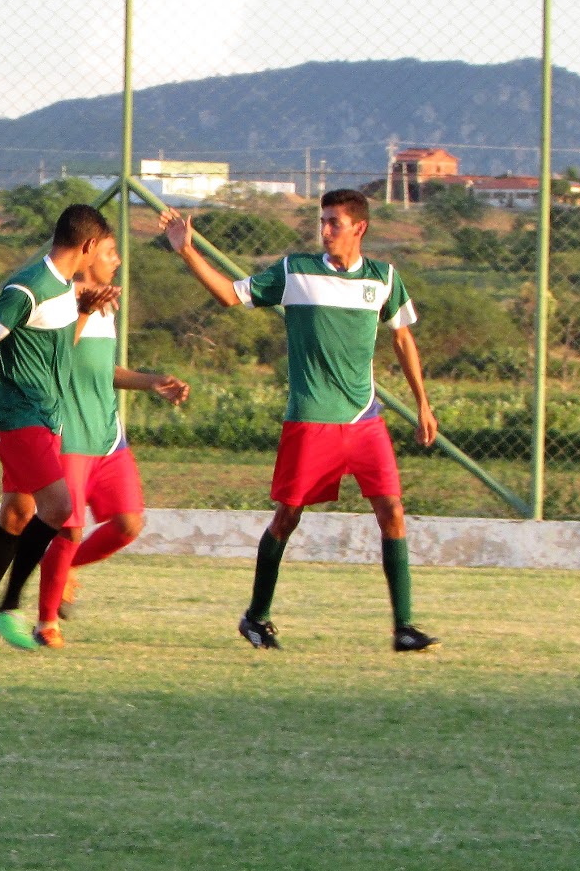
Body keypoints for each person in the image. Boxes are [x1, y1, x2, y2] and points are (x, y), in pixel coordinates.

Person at [166, 187, 440, 652]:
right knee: (287, 517)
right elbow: (230, 297)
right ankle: (255, 616)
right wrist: (187, 250)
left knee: (392, 512)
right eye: (323, 221)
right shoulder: (296, 271)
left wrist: (423, 403)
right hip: (312, 420)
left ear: (360, 228)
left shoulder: (384, 278)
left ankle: (404, 628)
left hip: (364, 419)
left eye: (335, 222)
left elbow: (402, 338)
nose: (326, 229)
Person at [0, 204, 119, 652]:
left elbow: (60, 347)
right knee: (60, 507)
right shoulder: (28, 287)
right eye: (102, 248)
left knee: (17, 514)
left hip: (47, 417)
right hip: (16, 416)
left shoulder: (65, 288)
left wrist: (83, 310)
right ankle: (9, 608)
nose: (106, 257)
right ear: (86, 246)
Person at [33, 227, 189, 648]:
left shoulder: (107, 307)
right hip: (71, 434)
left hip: (108, 435)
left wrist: (152, 381)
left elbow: (104, 370)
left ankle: (64, 572)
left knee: (127, 523)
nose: (117, 260)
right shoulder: (59, 300)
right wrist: (82, 309)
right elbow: (57, 356)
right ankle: (47, 622)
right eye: (109, 252)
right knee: (69, 531)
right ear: (87, 256)